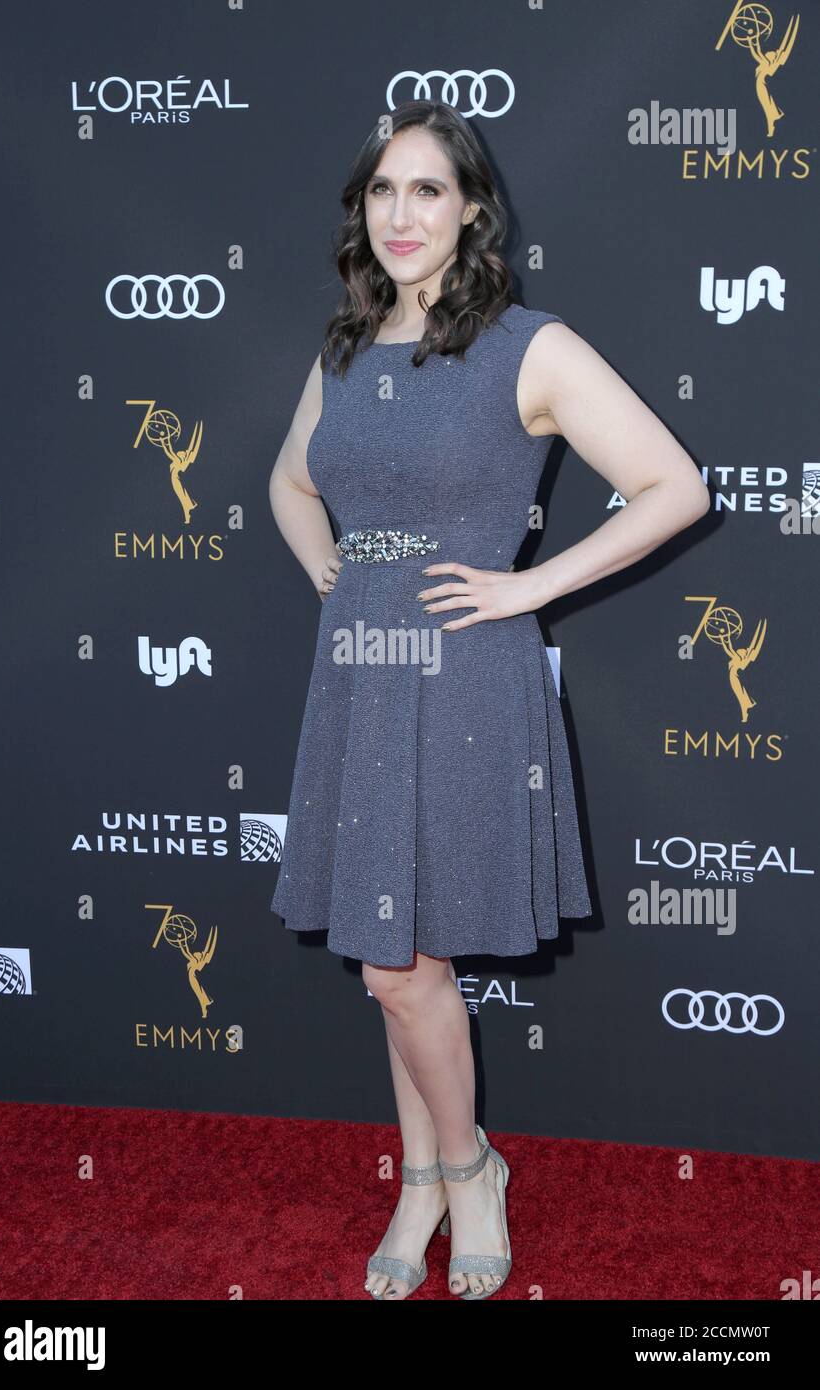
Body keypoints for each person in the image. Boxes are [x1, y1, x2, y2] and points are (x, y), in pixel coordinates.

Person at [268, 100, 709, 1301]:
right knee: (386, 954)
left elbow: (675, 483)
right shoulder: (346, 351)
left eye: (426, 190)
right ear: (361, 213)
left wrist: (529, 588)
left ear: (470, 208)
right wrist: (333, 573)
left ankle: (464, 1168)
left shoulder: (531, 347)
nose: (400, 214)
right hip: (360, 678)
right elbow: (289, 479)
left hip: (467, 672)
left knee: (404, 962)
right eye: (380, 191)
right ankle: (430, 1172)